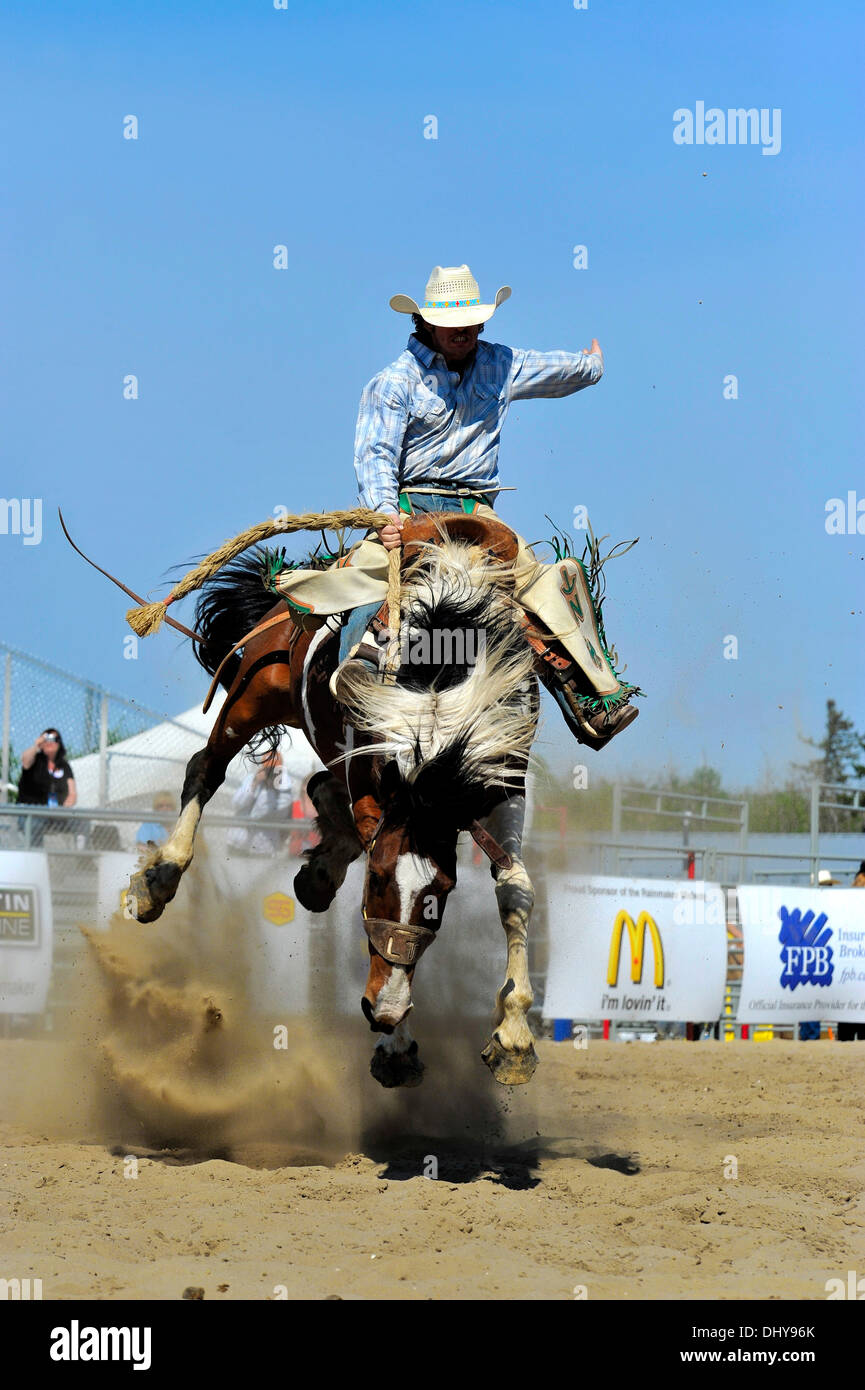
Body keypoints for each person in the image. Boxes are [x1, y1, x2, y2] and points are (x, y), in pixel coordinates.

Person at [273, 264, 641, 750]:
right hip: (411, 509)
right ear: (425, 323)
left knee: (543, 585)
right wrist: (386, 516)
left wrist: (592, 364)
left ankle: (591, 696)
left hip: (478, 516)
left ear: (483, 321)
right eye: (452, 322)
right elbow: (375, 454)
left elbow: (559, 371)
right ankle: (363, 666)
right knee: (370, 574)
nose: (463, 330)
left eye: (471, 320)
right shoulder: (394, 383)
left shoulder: (500, 363)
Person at [226, 750, 292, 857]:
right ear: (262, 768)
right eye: (268, 769)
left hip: (262, 848)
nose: (271, 773)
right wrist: (254, 784)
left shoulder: (284, 787)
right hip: (238, 840)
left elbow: (271, 813)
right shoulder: (251, 779)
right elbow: (236, 804)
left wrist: (271, 789)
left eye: (274, 770)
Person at [17, 728, 76, 846]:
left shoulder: (64, 766)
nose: (50, 742)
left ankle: (83, 860)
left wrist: (63, 809)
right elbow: (25, 761)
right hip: (31, 813)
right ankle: (37, 859)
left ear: (59, 743)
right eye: (46, 739)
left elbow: (72, 793)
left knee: (80, 823)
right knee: (35, 824)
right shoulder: (36, 759)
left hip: (55, 814)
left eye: (54, 739)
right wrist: (36, 746)